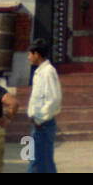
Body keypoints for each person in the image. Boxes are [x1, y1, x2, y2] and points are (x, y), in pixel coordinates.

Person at [25, 39, 62, 173]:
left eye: (30, 54)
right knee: (38, 160)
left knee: (40, 162)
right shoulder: (40, 72)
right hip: (37, 124)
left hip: (43, 124)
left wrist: (40, 118)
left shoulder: (48, 72)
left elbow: (54, 99)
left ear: (37, 54)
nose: (28, 57)